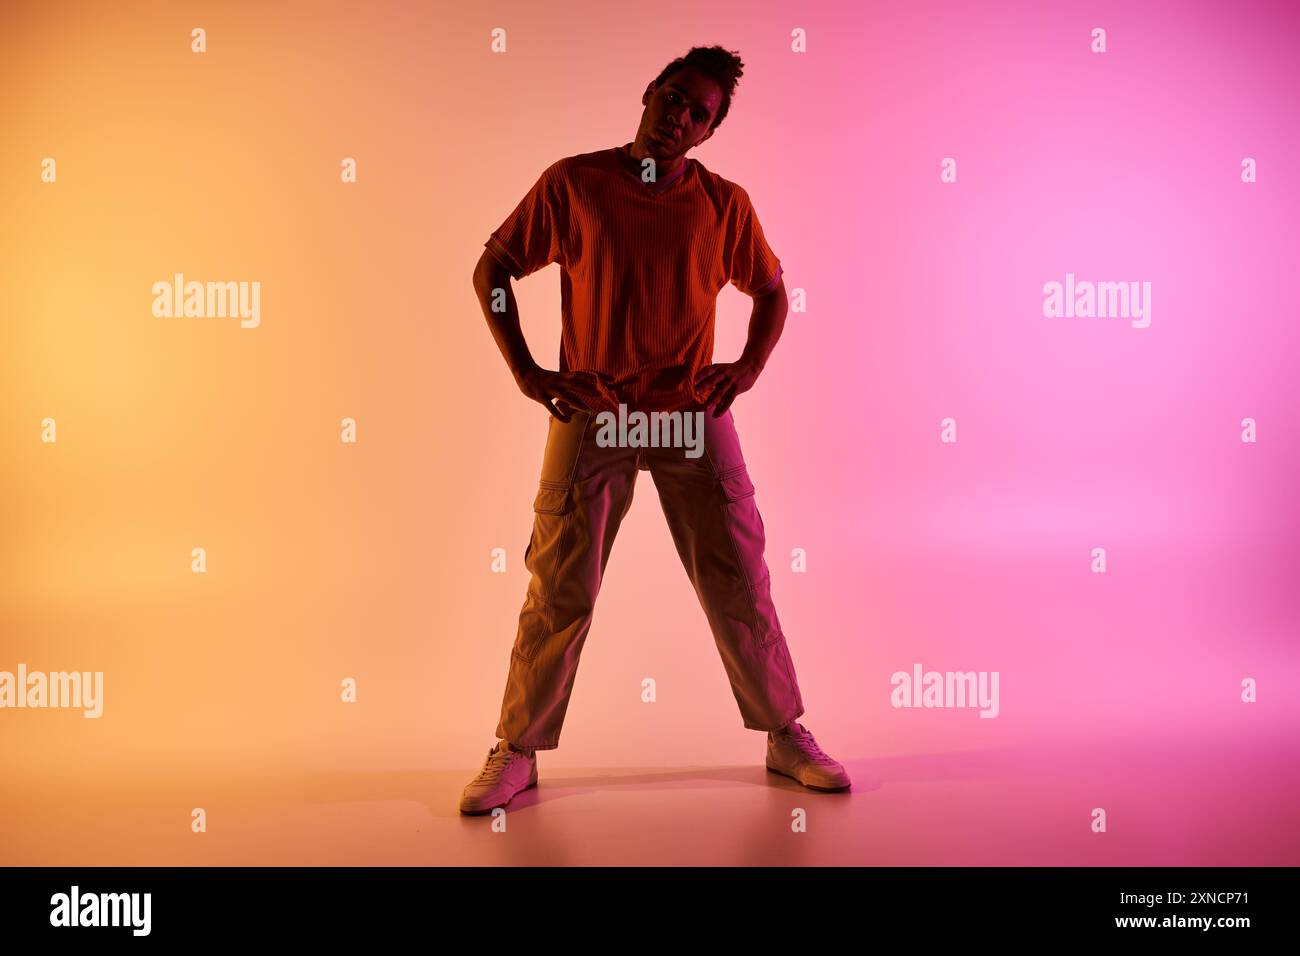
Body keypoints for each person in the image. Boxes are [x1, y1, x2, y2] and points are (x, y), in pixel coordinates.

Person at [462, 45, 850, 815]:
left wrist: (744, 369)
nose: (679, 116)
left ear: (708, 132)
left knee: (739, 579)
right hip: (593, 414)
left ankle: (784, 734)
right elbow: (493, 271)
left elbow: (773, 293)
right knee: (560, 588)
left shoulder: (722, 204)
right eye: (673, 97)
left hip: (690, 419)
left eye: (697, 112)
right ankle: (518, 749)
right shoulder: (575, 184)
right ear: (648, 92)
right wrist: (529, 372)